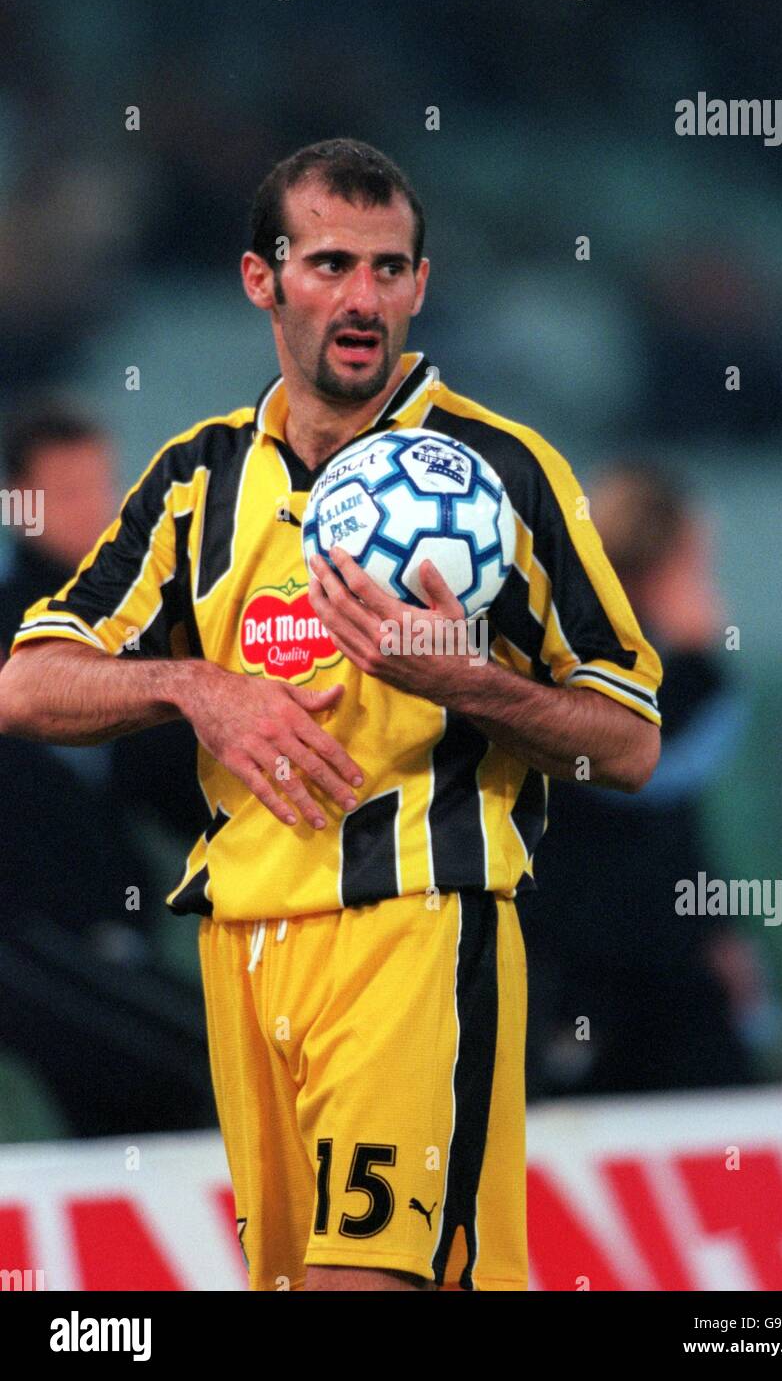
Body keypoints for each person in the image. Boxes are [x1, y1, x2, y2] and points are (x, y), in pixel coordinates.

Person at [0, 139, 662, 1291]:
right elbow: (26, 680)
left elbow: (630, 736)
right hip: (243, 953)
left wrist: (460, 678)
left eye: (390, 269)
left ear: (418, 284)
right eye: (331, 265)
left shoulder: (503, 473)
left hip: (415, 929)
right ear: (262, 280)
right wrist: (193, 685)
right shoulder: (195, 482)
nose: (363, 299)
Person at [0, 405, 215, 1137]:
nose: (96, 510)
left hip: (102, 939)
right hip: (32, 942)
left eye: (104, 486)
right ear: (17, 505)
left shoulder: (122, 623)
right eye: (68, 493)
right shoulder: (28, 636)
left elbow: (166, 780)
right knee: (191, 1072)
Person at [520, 464, 767, 1099]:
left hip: (663, 975)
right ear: (657, 570)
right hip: (588, 982)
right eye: (695, 565)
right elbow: (649, 764)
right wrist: (698, 655)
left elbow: (674, 821)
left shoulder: (645, 664)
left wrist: (716, 931)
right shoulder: (574, 660)